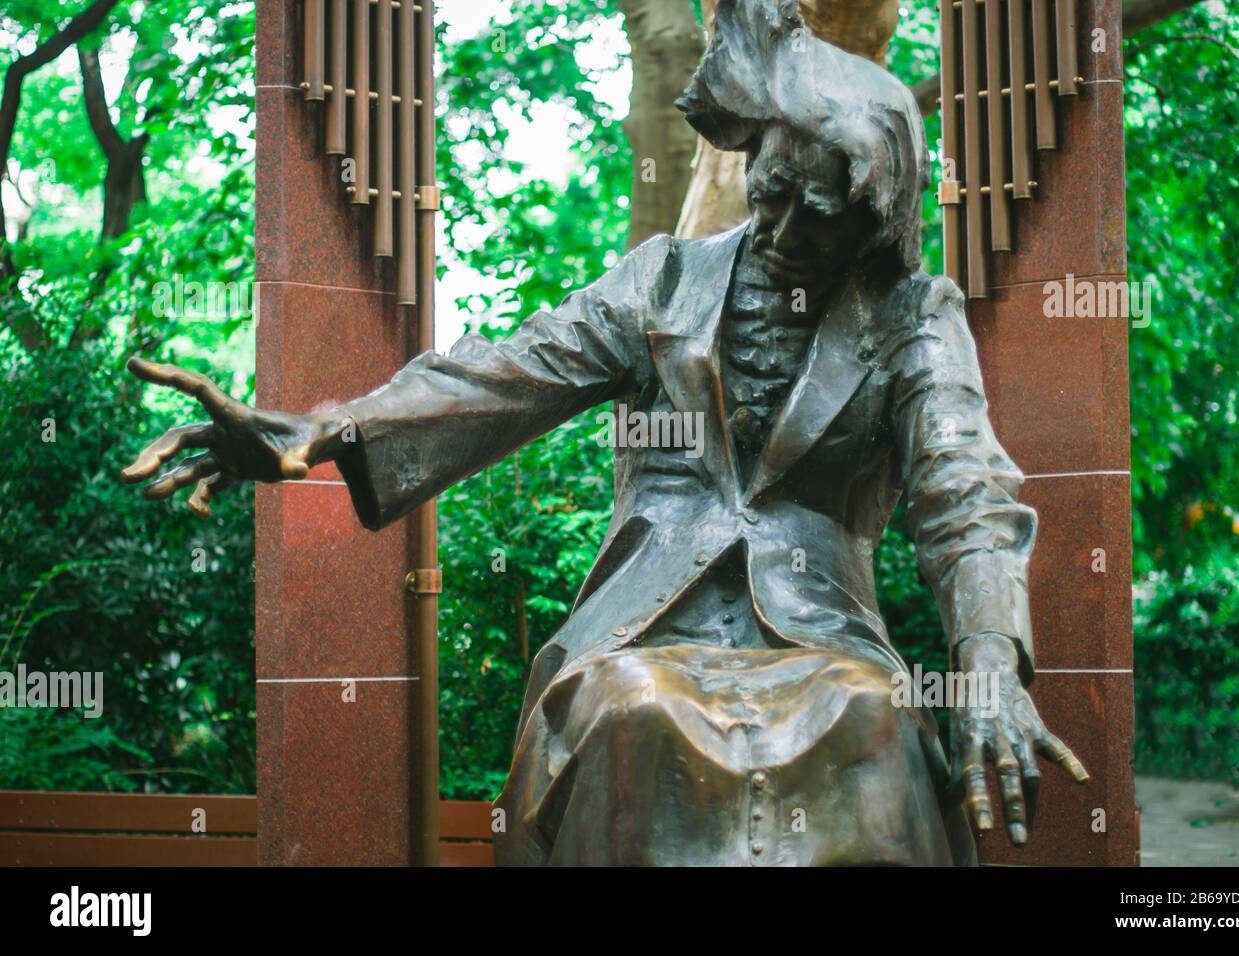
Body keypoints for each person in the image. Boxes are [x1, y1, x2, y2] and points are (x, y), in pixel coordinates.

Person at [122, 0, 1087, 865]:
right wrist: (322, 429)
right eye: (774, 190)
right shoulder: (663, 281)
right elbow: (505, 373)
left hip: (824, 639)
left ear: (876, 219)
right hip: (647, 625)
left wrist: (990, 661)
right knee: (632, 712)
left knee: (877, 721)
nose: (786, 229)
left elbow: (968, 493)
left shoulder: (913, 315)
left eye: (821, 215)